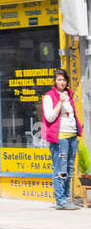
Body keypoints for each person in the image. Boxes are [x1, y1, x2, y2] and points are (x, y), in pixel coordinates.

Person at [42, 68, 82, 210]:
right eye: (59, 79)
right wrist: (60, 101)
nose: (62, 82)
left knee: (69, 169)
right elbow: (50, 117)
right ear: (55, 81)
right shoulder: (49, 97)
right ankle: (60, 200)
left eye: (64, 79)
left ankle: (66, 198)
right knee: (60, 169)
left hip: (72, 136)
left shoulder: (69, 95)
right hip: (60, 138)